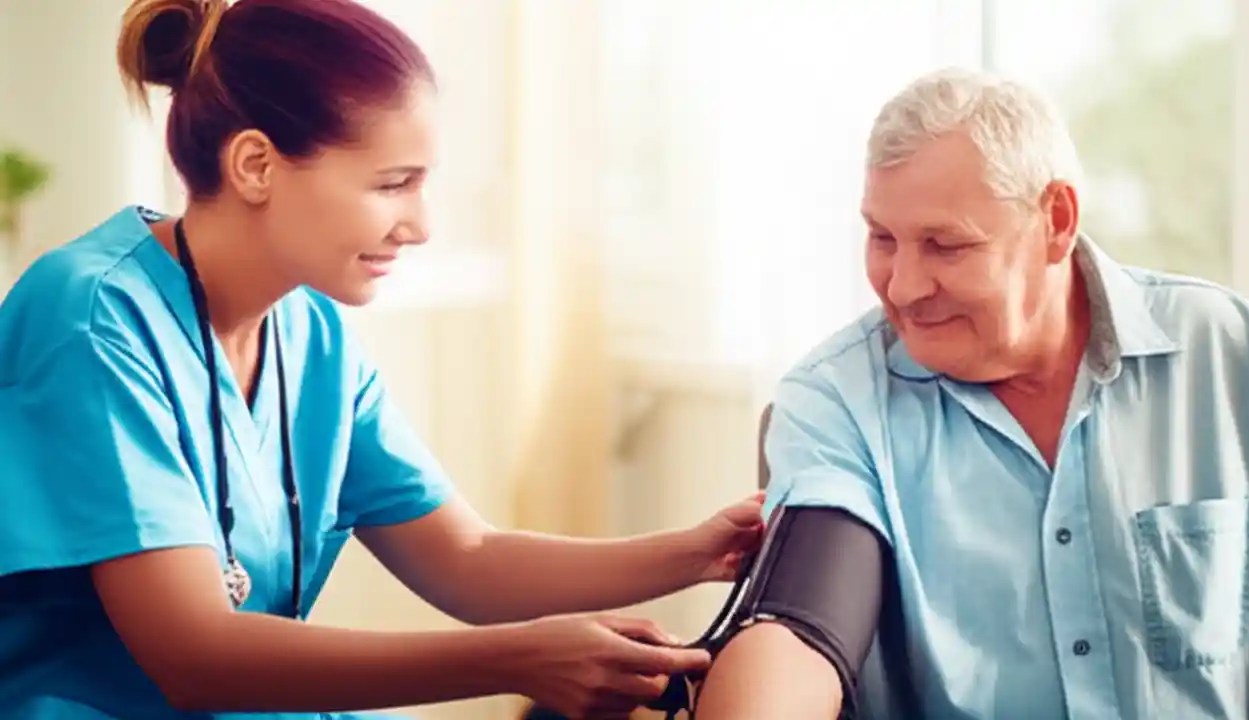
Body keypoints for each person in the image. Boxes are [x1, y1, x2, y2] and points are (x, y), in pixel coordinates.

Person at [0, 1, 766, 718]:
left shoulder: (312, 333)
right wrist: (517, 660)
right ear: (256, 165)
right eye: (394, 185)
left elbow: (467, 559)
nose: (420, 225)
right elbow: (193, 652)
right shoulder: (91, 315)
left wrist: (698, 552)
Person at [694, 67, 1249, 719]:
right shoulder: (837, 400)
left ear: (1056, 221)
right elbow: (800, 627)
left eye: (945, 245)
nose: (904, 287)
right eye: (883, 238)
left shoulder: (1232, 354)